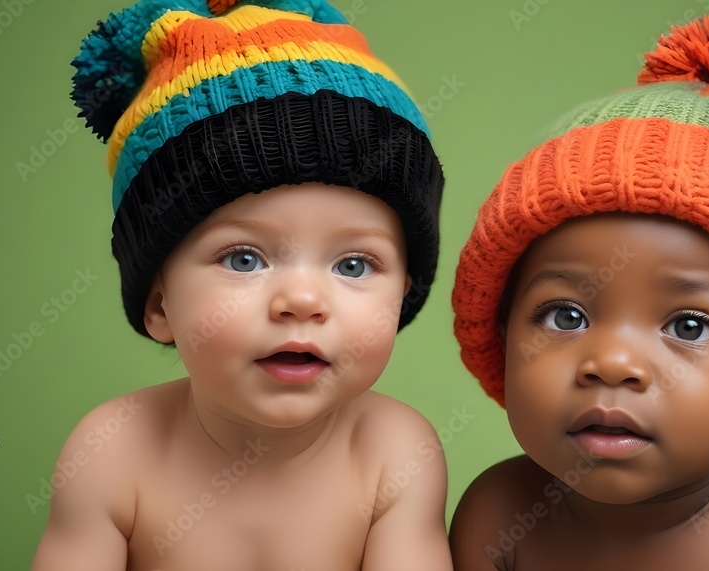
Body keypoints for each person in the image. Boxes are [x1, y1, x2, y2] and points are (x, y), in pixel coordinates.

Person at [32, 1, 452, 569]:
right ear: (159, 303)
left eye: (353, 265)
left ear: (404, 293)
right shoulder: (114, 450)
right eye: (244, 259)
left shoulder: (394, 452)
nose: (302, 301)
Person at [449, 15, 709, 570]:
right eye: (565, 316)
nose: (612, 363)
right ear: (503, 344)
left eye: (689, 326)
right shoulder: (498, 515)